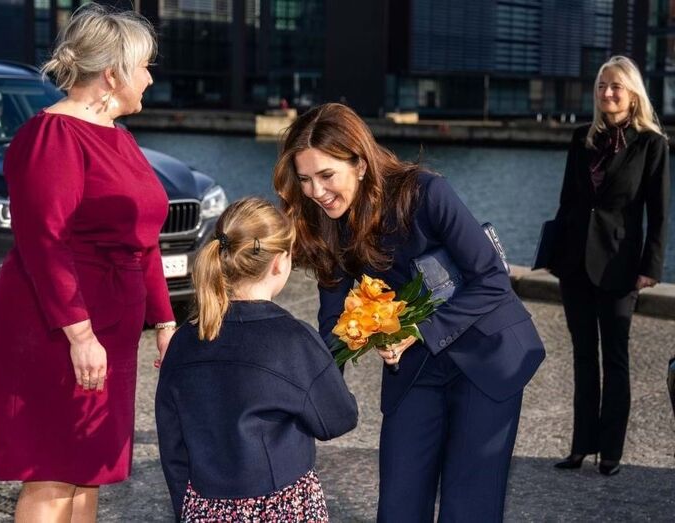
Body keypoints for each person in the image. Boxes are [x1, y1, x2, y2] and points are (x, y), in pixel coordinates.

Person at [273, 103, 545, 522]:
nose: (316, 191)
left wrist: (417, 331)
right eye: (305, 180)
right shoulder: (325, 223)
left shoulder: (427, 192)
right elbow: (334, 328)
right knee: (399, 504)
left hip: (488, 357)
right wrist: (306, 399)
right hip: (414, 368)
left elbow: (492, 278)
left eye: (326, 175)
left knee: (467, 507)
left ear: (360, 164)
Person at [0, 4, 176, 520]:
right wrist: (79, 334)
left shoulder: (119, 137)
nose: (150, 77)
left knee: (88, 468)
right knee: (51, 473)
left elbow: (144, 237)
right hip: (56, 324)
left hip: (108, 322)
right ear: (113, 74)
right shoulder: (52, 137)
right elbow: (44, 241)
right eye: (143, 66)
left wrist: (165, 319)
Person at [156, 197, 358, 522]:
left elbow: (172, 440)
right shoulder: (293, 340)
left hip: (205, 504)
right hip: (281, 506)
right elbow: (337, 419)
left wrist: (188, 506)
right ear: (280, 262)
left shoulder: (184, 341)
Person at [548, 55, 670, 476]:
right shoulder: (582, 138)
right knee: (583, 357)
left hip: (620, 266)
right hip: (576, 264)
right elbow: (567, 202)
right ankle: (581, 446)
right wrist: (555, 255)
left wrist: (650, 266)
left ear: (632, 92)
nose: (607, 93)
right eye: (601, 86)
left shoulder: (652, 144)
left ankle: (611, 451)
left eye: (616, 86)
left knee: (615, 358)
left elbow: (659, 213)